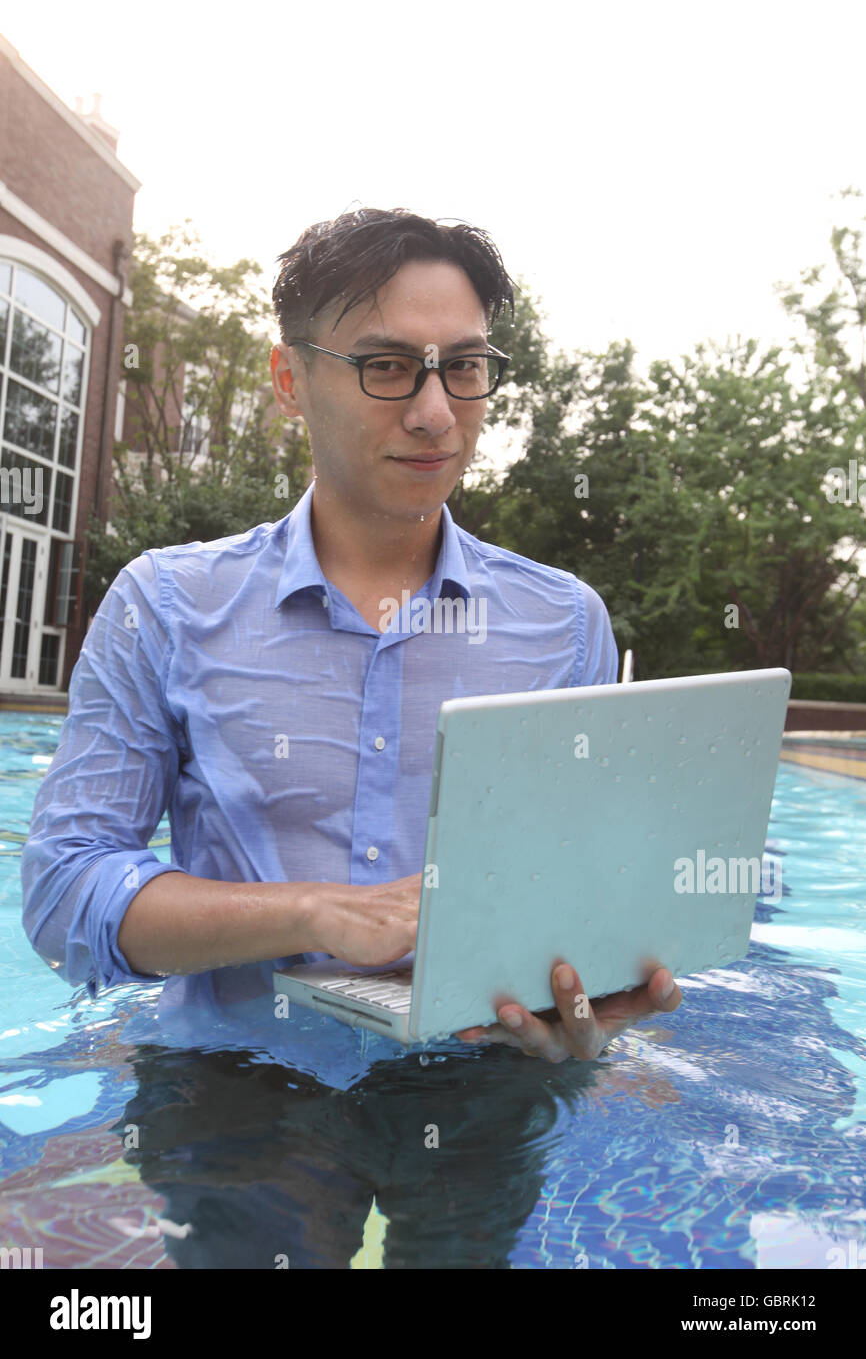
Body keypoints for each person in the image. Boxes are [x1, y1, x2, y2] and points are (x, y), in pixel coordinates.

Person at [21, 206, 681, 1067]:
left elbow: (585, 887)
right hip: (236, 1080)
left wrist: (587, 1002)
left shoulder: (562, 623)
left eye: (466, 368)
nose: (436, 413)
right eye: (388, 367)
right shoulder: (168, 603)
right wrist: (313, 913)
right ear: (290, 379)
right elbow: (62, 893)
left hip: (483, 1073)